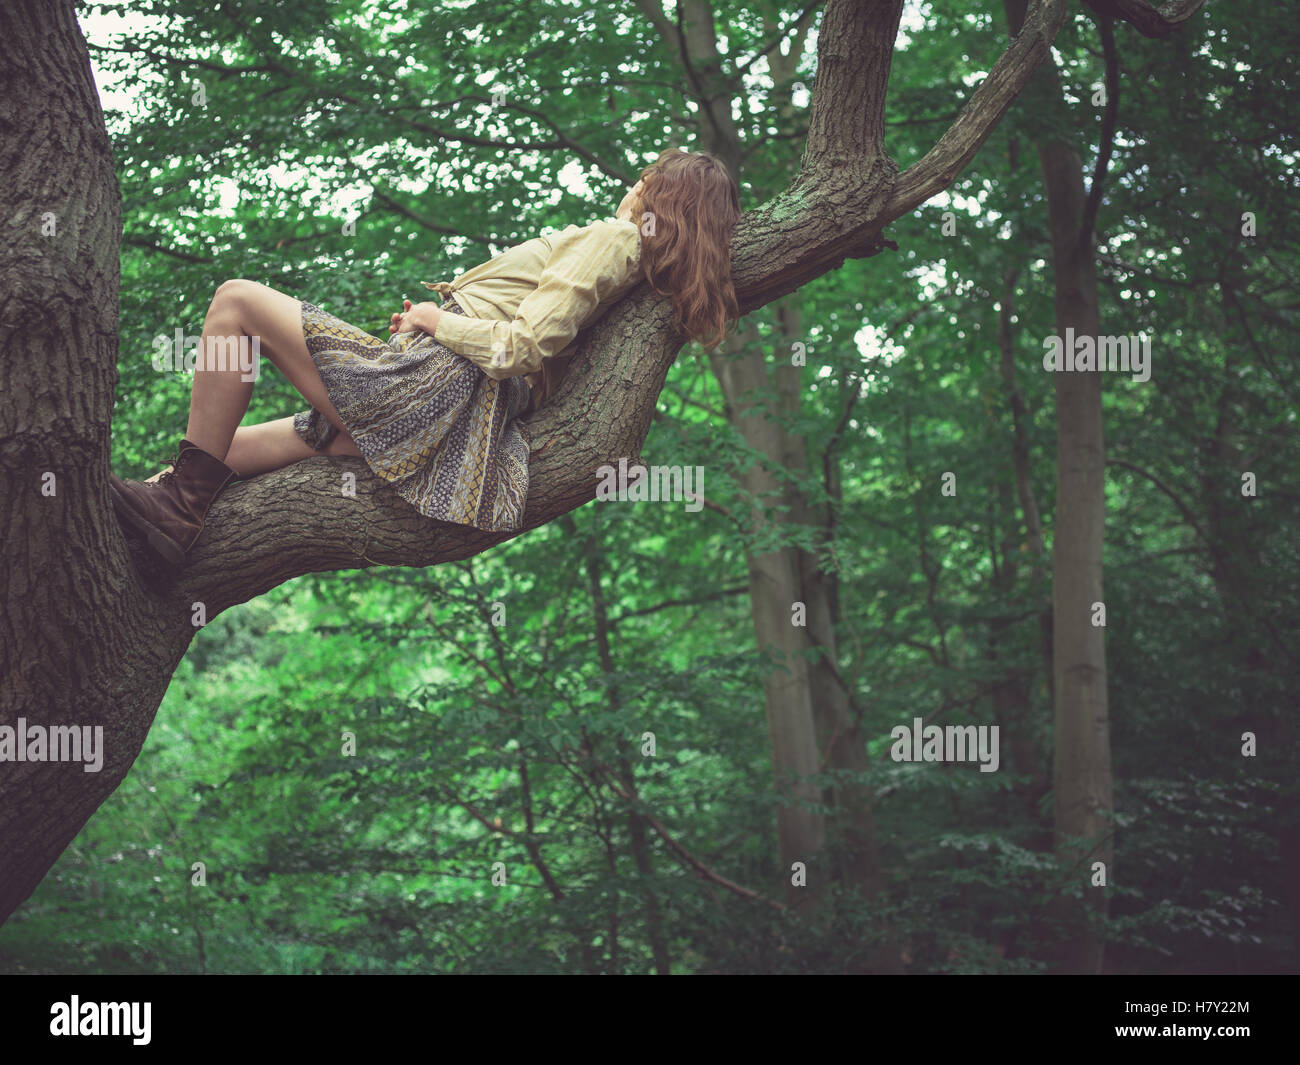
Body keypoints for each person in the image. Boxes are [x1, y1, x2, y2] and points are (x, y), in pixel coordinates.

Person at [108, 148, 741, 569]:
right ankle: (169, 522)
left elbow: (523, 345)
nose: (629, 190)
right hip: (446, 402)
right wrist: (434, 327)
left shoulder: (615, 238)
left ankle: (181, 513)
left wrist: (439, 320)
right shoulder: (642, 276)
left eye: (643, 181)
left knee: (236, 301)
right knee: (219, 451)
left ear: (662, 199)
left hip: (437, 391)